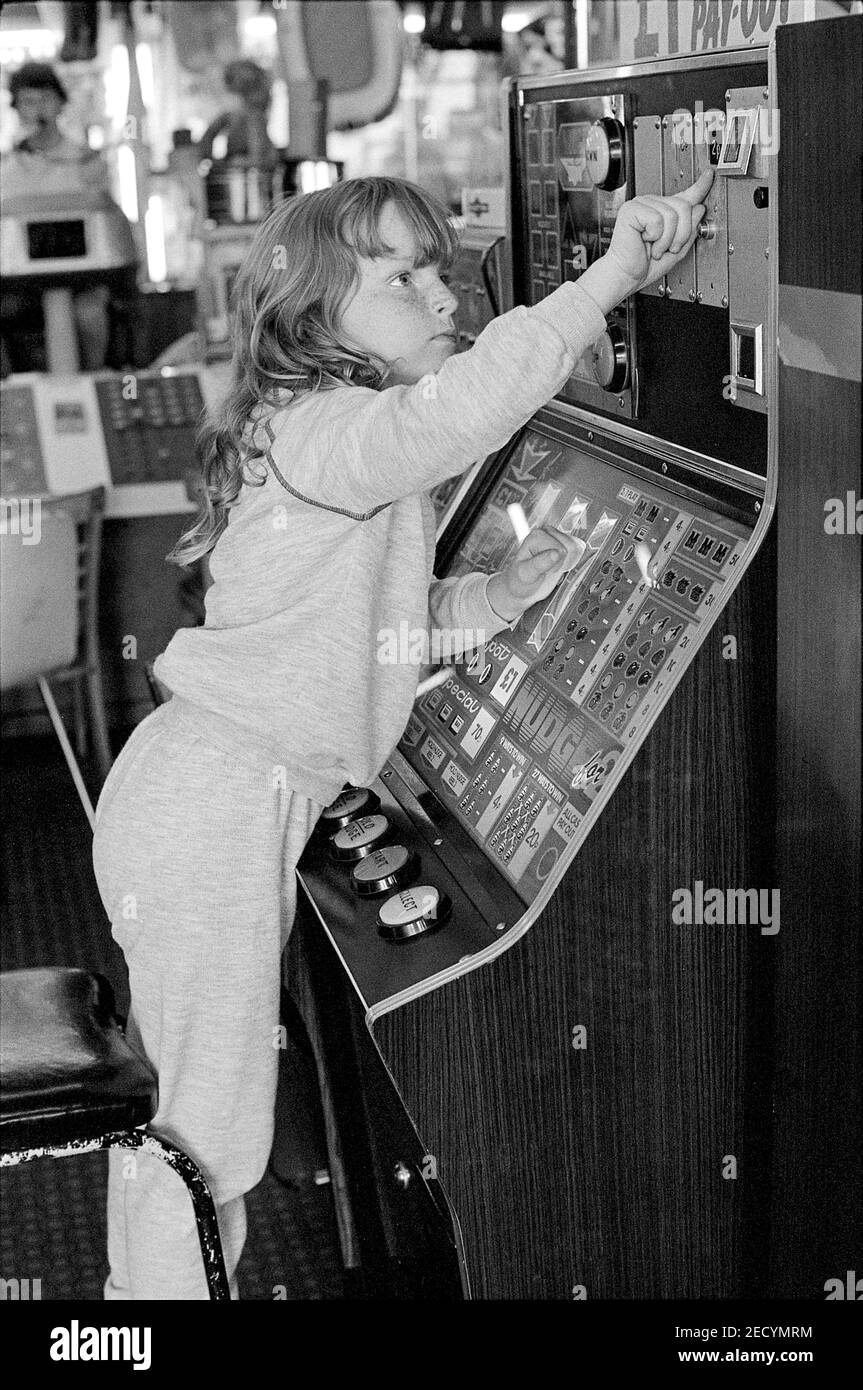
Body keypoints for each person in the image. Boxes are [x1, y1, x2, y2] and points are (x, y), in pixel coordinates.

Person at [92, 168, 713, 1299]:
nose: (439, 296)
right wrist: (611, 277)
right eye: (399, 277)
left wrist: (490, 600)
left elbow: (369, 637)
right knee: (207, 1124)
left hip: (227, 793)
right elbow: (461, 410)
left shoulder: (329, 444)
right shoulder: (332, 430)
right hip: (210, 805)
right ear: (317, 314)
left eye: (438, 271)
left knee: (209, 1104)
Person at [1, 62, 114, 371]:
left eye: (45, 99)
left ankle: (94, 378)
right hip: (18, 283)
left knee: (90, 313)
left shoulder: (86, 161)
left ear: (61, 103)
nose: (38, 109)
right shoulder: (7, 169)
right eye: (28, 101)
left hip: (82, 278)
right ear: (16, 108)